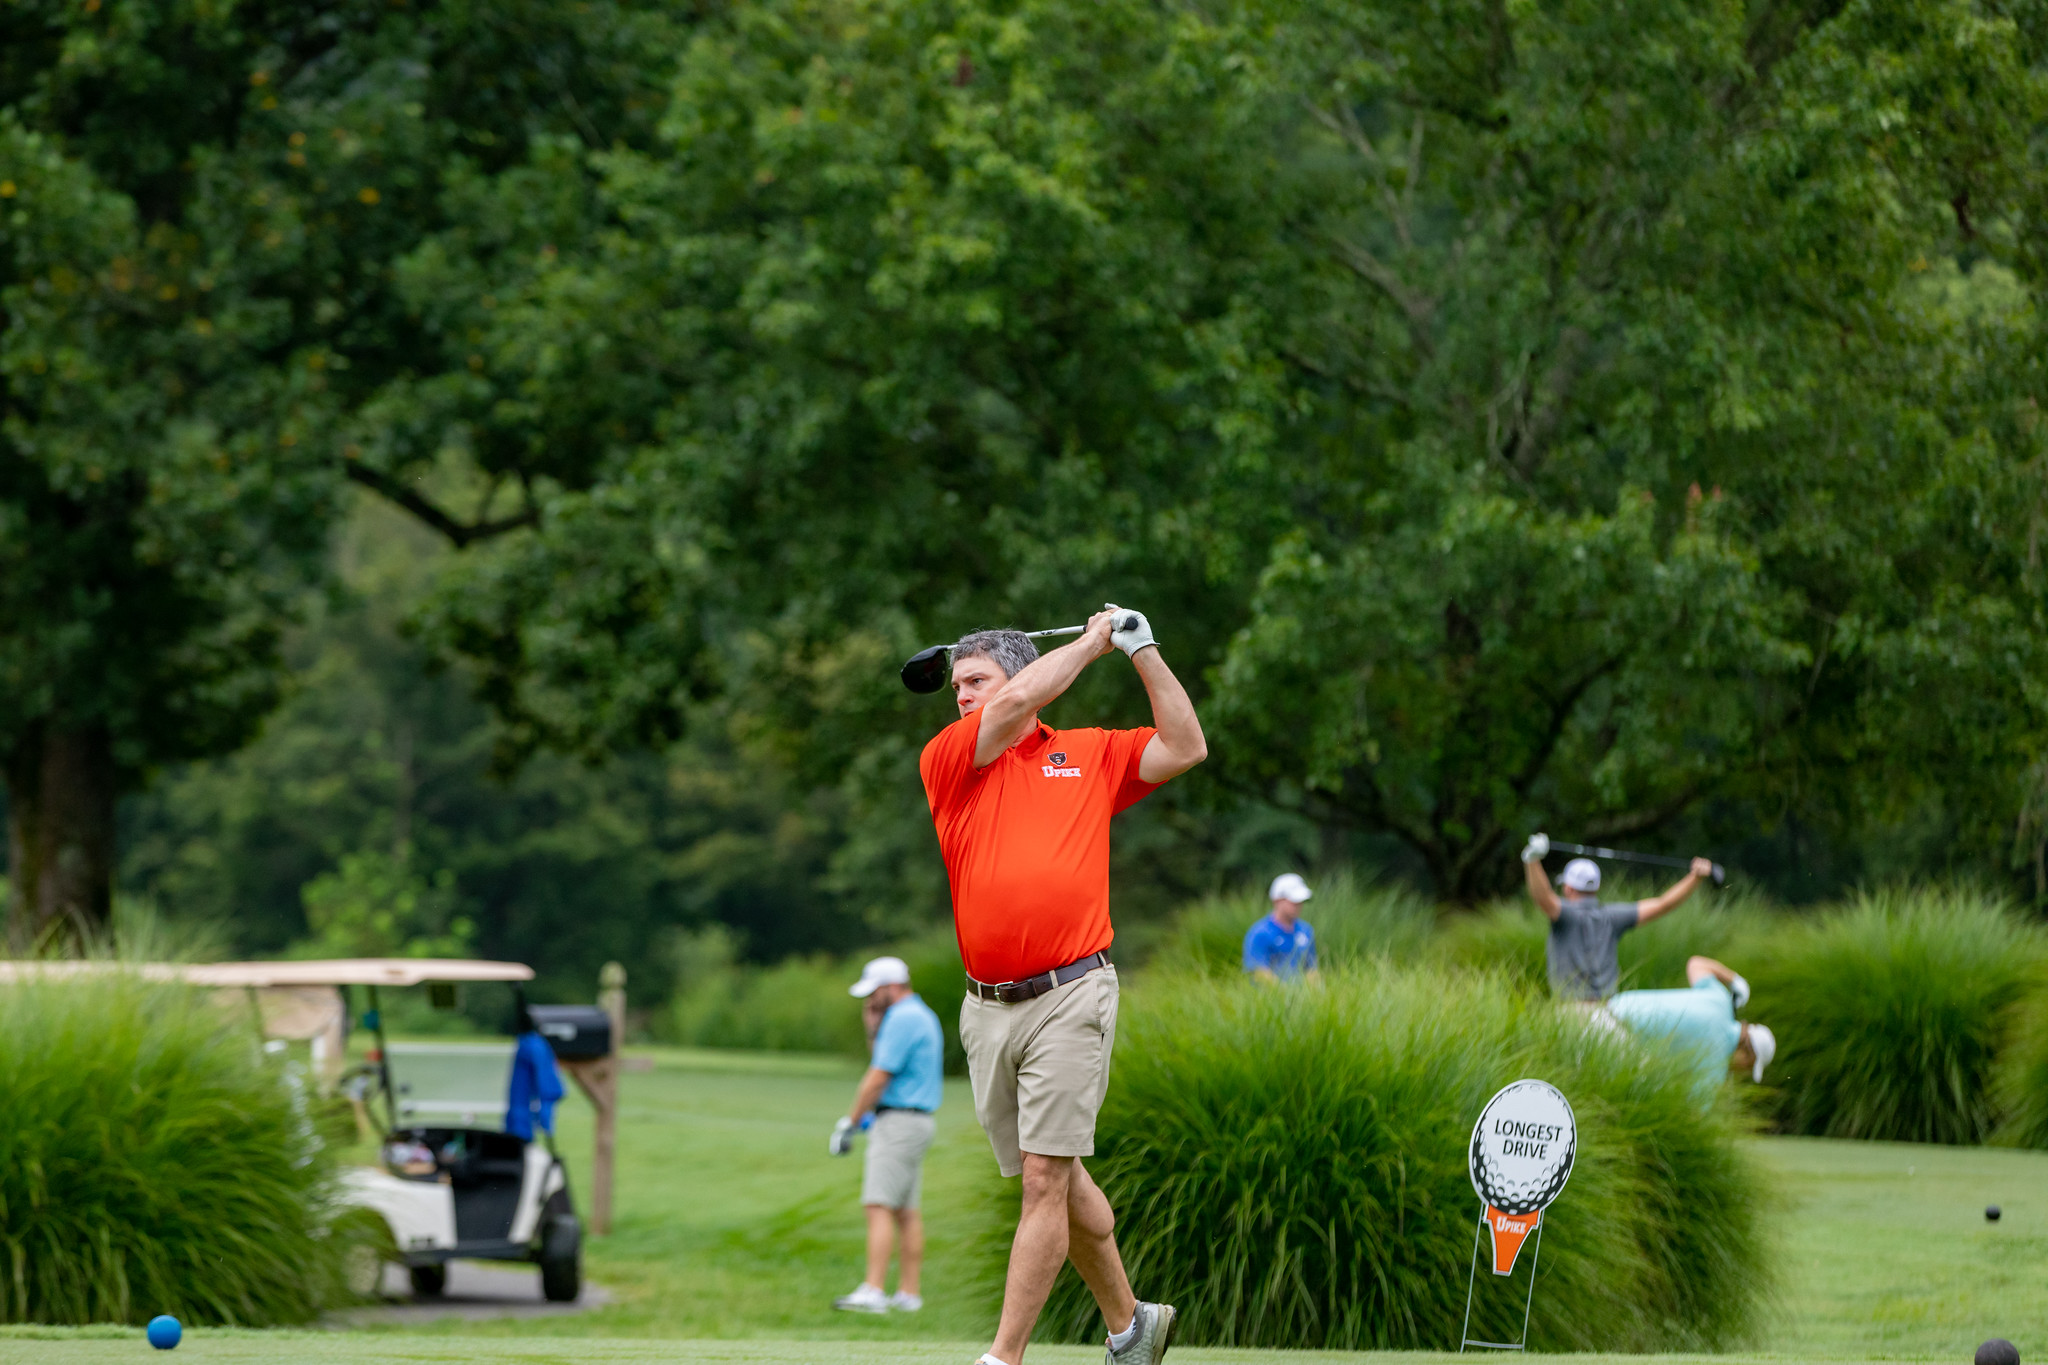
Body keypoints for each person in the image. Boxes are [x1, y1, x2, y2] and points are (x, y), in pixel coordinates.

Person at [920, 605, 1206, 1365]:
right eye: (957, 686)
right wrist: (1091, 642)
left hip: (1074, 989)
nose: (964, 697)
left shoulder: (1087, 753)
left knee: (1044, 1179)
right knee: (1060, 1174)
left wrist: (1141, 649)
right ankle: (1132, 1326)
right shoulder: (952, 758)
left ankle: (1002, 1357)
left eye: (977, 680)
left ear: (1023, 674)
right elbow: (1013, 709)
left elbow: (1186, 745)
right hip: (987, 1008)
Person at [828, 955, 945, 1314]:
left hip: (899, 1122)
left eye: (873, 993)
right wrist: (870, 1023)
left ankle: (874, 1290)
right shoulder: (917, 1014)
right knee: (905, 1210)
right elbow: (883, 1057)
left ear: (890, 987)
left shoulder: (903, 1017)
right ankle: (908, 1294)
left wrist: (850, 1120)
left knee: (877, 1204)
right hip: (916, 1121)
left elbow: (878, 1075)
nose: (869, 1000)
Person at [1518, 832, 1714, 1004]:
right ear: (1596, 888)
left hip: (1571, 1010)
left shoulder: (1564, 914)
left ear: (1568, 888)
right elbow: (1664, 903)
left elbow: (1543, 897)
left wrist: (1532, 860)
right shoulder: (1613, 916)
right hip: (1610, 1009)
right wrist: (1695, 878)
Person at [1606, 955, 1778, 1096]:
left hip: (1610, 1007)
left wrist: (1734, 979)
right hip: (1619, 1039)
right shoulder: (1714, 1065)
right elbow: (1696, 1113)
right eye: (1747, 1067)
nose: (1741, 1072)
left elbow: (1696, 964)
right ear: (1747, 1055)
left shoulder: (1721, 999)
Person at [1243, 873, 1320, 982]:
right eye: (1293, 901)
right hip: (1269, 996)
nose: (1298, 905)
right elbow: (1259, 973)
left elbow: (1312, 970)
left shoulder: (1306, 931)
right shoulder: (1260, 933)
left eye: (1300, 901)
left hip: (1302, 995)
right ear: (1277, 900)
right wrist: (1287, 995)